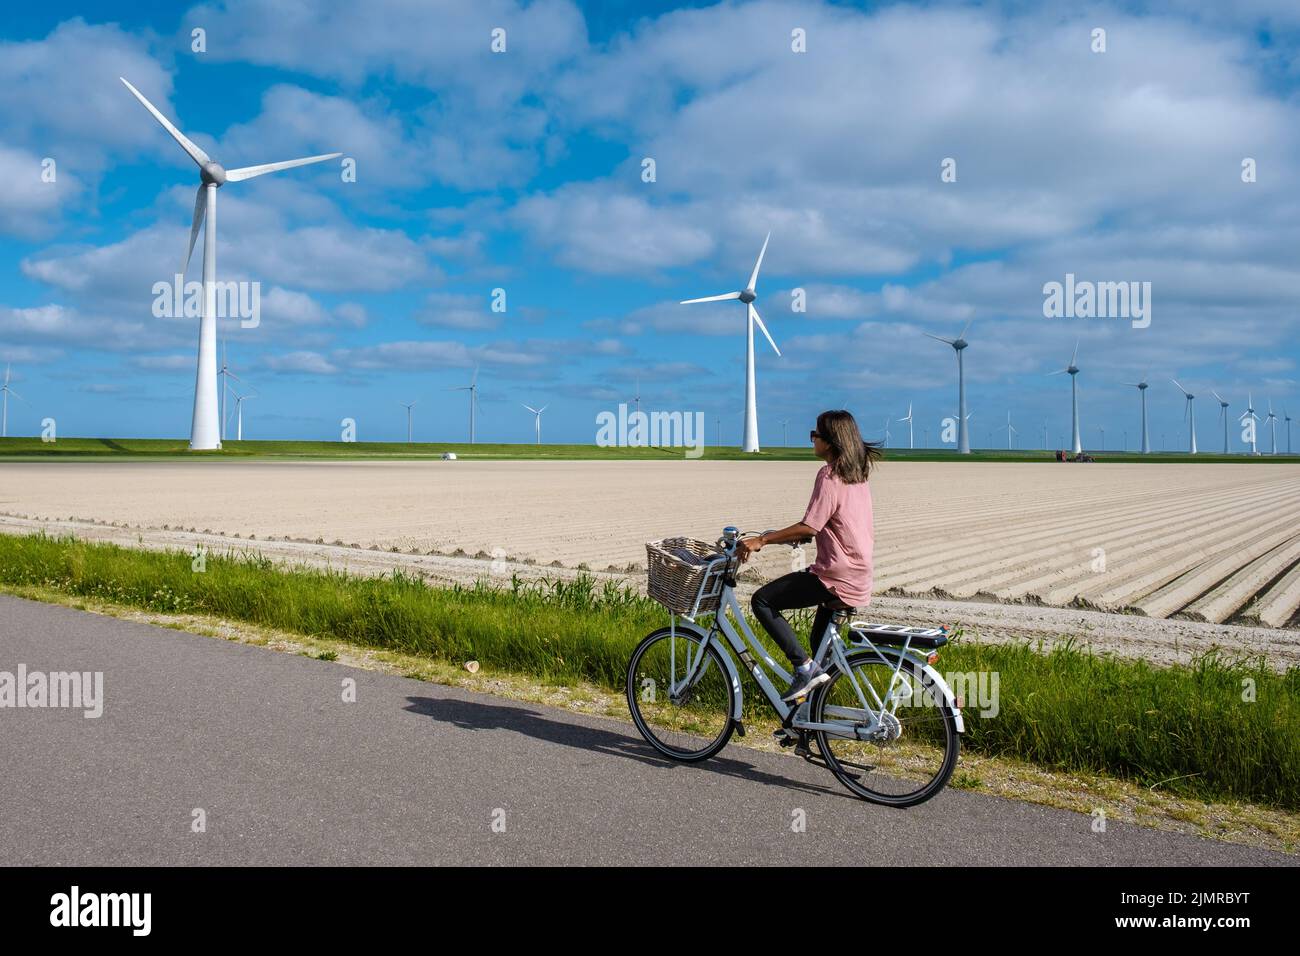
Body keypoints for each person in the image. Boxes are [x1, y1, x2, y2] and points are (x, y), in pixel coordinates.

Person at [739, 410, 881, 703]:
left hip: (834, 575)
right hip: (859, 574)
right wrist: (794, 536)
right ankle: (810, 723)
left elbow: (810, 525)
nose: (812, 440)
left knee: (762, 601)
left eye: (815, 434)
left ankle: (802, 668)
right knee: (820, 651)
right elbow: (828, 523)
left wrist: (762, 540)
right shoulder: (857, 473)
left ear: (830, 441)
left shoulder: (829, 475)